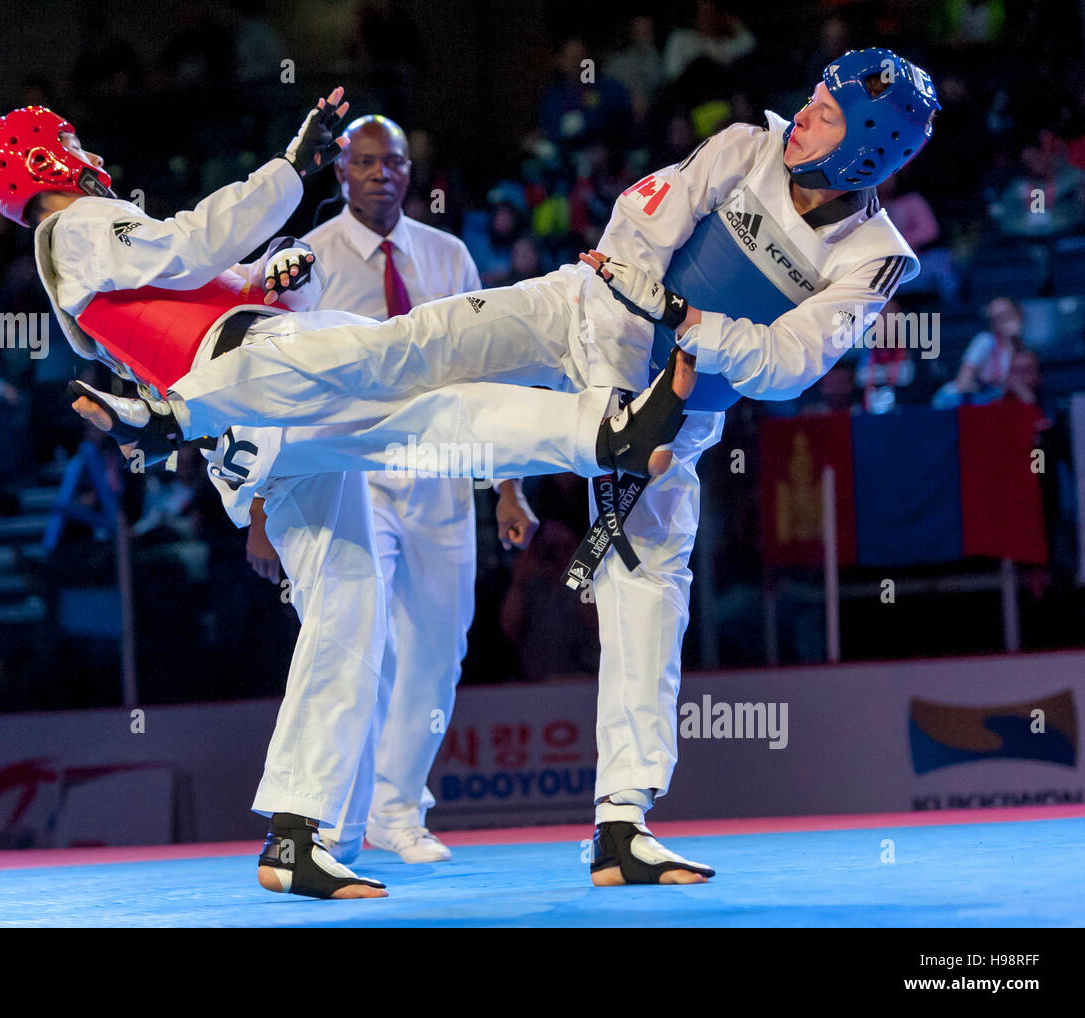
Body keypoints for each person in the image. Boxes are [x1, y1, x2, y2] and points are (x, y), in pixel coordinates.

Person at [108, 47, 938, 887]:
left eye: (828, 114)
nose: (804, 114)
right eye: (814, 98)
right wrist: (646, 361)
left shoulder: (874, 255)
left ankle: (623, 824)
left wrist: (687, 328)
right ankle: (184, 409)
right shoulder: (745, 147)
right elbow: (637, 232)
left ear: (868, 147)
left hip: (675, 407)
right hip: (581, 315)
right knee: (408, 345)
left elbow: (790, 362)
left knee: (650, 584)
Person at [0, 93, 684, 901]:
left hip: (252, 422)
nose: (86, 149)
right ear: (43, 158)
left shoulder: (87, 252)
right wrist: (286, 169)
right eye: (70, 139)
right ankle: (601, 412)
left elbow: (209, 277)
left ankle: (295, 833)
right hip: (251, 375)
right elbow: (195, 239)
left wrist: (274, 282)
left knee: (350, 599)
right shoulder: (72, 227)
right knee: (416, 361)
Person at [247, 114, 534, 864]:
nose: (381, 174)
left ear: (411, 171)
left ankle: (397, 808)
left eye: (394, 162)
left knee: (439, 647)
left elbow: (487, 368)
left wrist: (508, 484)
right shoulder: (305, 257)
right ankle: (334, 815)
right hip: (349, 474)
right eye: (366, 162)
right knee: (355, 634)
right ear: (340, 172)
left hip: (443, 466)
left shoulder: (447, 254)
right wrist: (257, 510)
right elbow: (266, 382)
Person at [932, 296, 1023, 408]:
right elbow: (963, 382)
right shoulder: (984, 341)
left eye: (1008, 315)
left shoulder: (1017, 347)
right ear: (992, 322)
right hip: (955, 401)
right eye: (999, 318)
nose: (1006, 321)